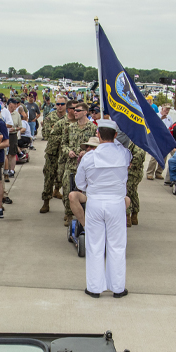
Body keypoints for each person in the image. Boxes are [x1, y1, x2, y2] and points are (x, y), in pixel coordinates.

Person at [75, 120, 131, 298]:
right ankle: (117, 287)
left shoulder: (89, 157)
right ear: (115, 135)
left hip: (95, 202)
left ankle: (94, 287)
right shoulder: (124, 154)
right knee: (117, 246)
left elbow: (80, 183)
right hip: (116, 203)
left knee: (95, 245)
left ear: (97, 135)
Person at [61, 100, 96, 226]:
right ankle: (69, 214)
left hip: (87, 166)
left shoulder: (93, 128)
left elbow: (97, 146)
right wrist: (68, 151)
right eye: (74, 110)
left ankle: (85, 215)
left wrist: (87, 153)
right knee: (67, 189)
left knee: (86, 192)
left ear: (85, 112)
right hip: (71, 164)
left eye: (78, 110)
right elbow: (63, 144)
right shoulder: (70, 127)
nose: (74, 112)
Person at [39, 96, 67, 213]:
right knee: (49, 176)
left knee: (63, 177)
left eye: (62, 104)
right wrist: (63, 136)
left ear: (66, 105)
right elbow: (46, 134)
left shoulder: (70, 119)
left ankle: (57, 190)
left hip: (64, 153)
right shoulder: (50, 117)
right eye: (58, 104)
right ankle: (46, 201)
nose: (59, 106)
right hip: (52, 152)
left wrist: (55, 133)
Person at [125, 142, 145, 227]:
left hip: (132, 172)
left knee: (127, 193)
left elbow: (139, 153)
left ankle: (128, 217)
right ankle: (134, 216)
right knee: (133, 192)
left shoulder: (137, 139)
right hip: (133, 172)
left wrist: (131, 164)